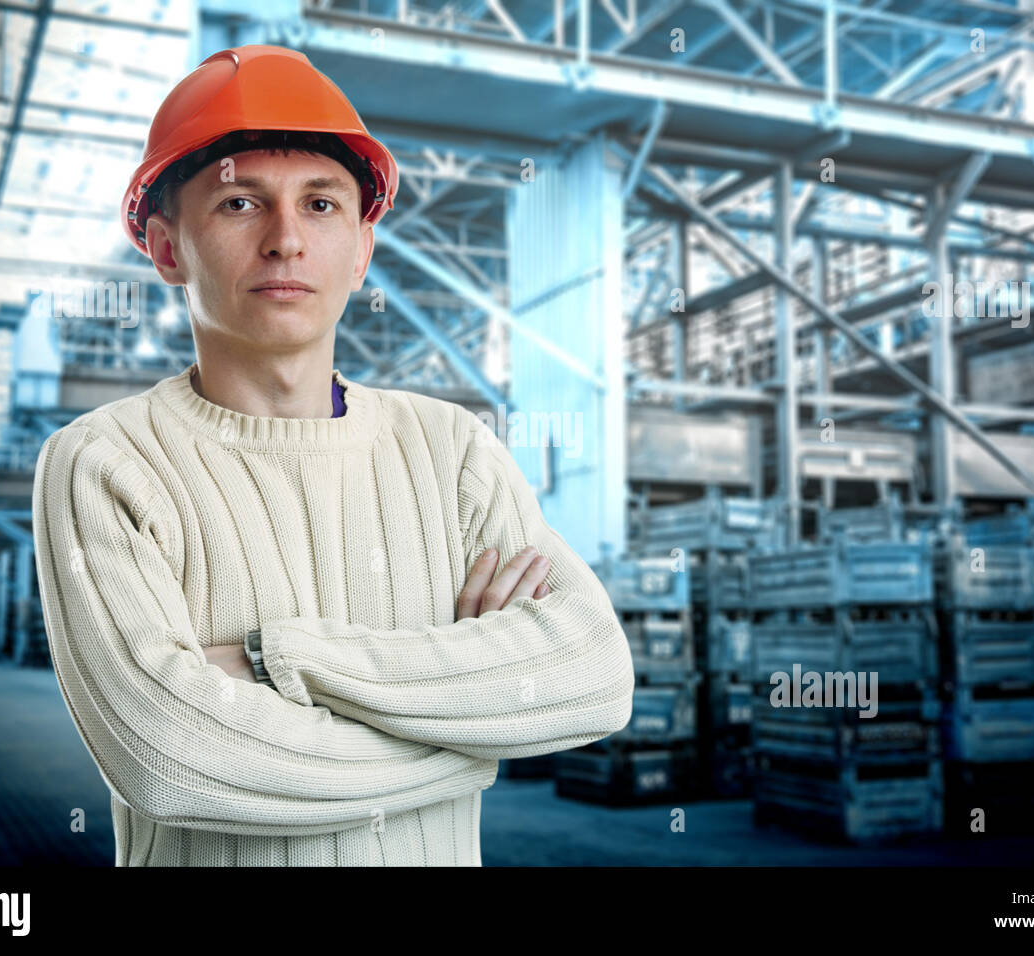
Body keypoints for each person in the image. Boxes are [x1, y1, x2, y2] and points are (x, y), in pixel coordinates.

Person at [31, 44, 634, 867]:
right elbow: (170, 759)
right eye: (241, 203)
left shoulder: (452, 451)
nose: (286, 239)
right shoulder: (104, 463)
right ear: (167, 249)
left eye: (321, 204)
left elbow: (590, 674)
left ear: (361, 250)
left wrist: (273, 659)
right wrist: (469, 738)